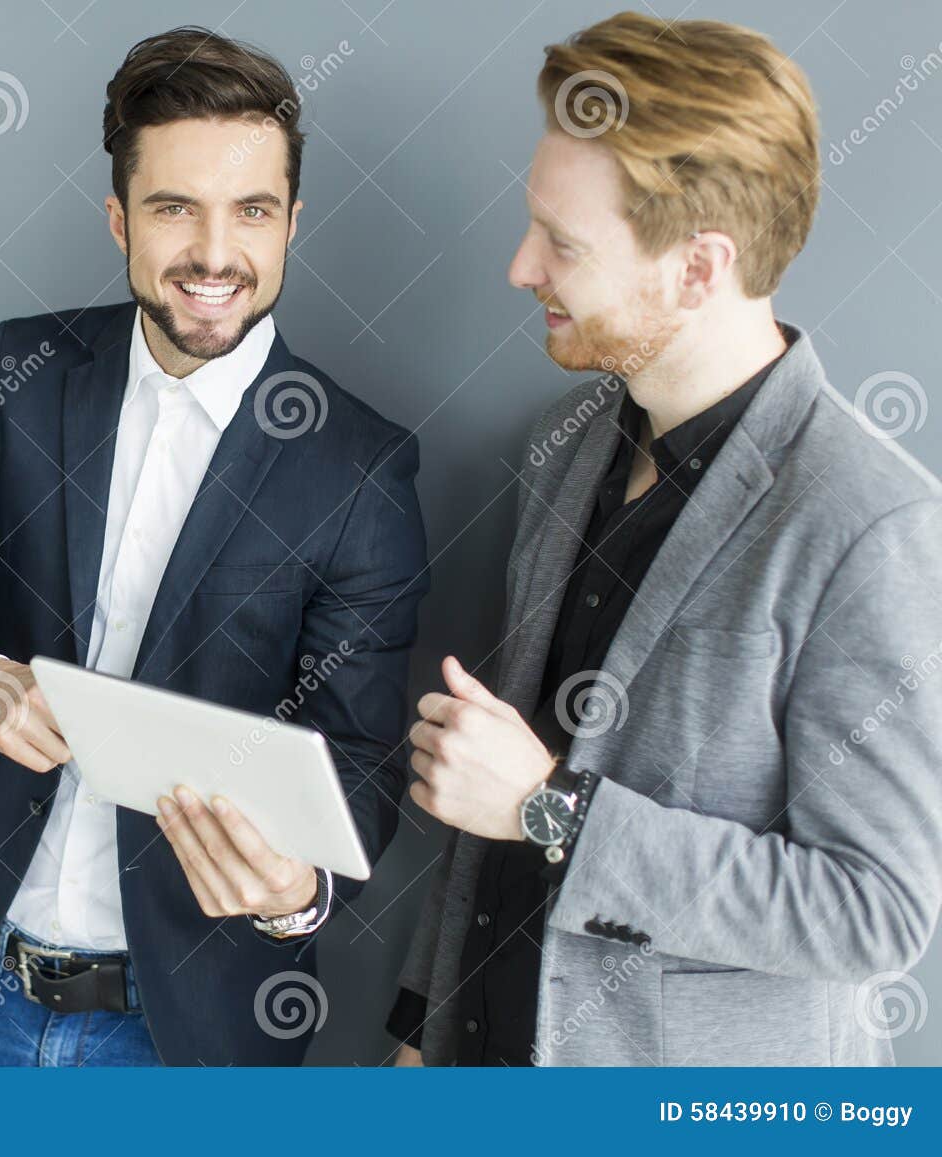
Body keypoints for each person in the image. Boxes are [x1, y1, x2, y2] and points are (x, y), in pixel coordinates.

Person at [0, 26, 429, 1066]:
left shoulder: (360, 468)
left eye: (249, 210)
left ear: (291, 220)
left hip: (189, 1033)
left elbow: (362, 764)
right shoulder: (23, 373)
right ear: (119, 219)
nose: (212, 251)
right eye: (173, 208)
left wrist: (297, 894)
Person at [390, 11, 942, 1066]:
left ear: (698, 268)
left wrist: (552, 811)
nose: (519, 267)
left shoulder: (871, 522)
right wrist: (422, 1031)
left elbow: (871, 911)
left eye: (561, 241)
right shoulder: (566, 451)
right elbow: (497, 795)